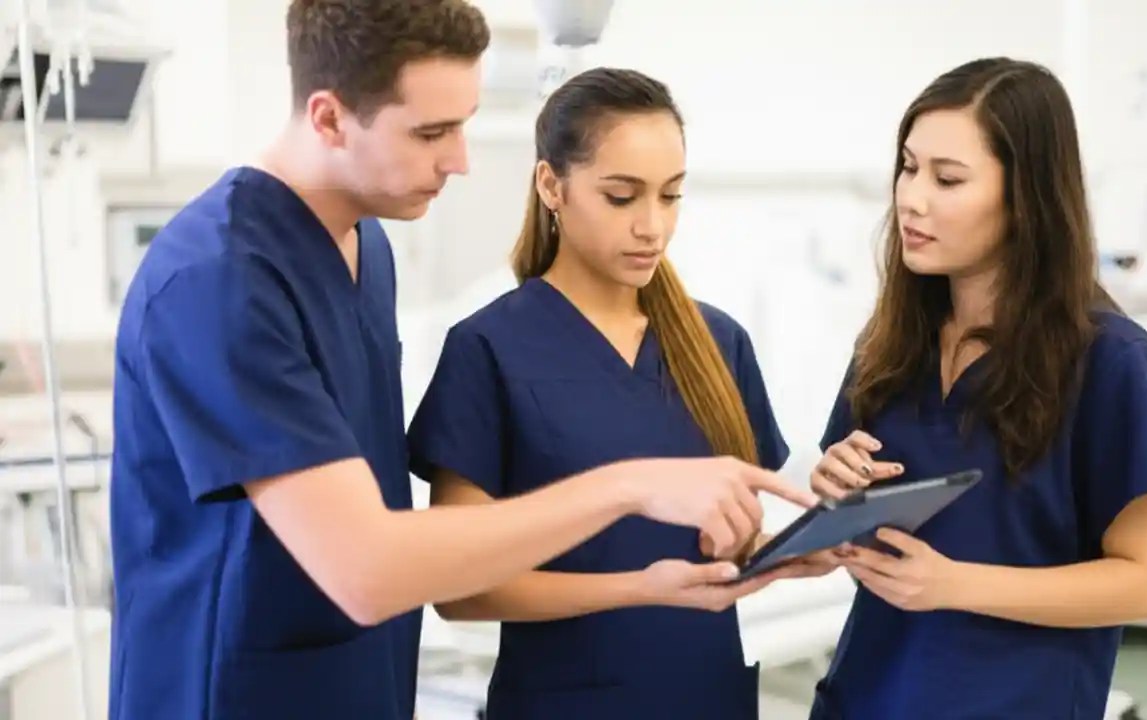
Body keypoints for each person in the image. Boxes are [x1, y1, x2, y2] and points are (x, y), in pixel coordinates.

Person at [106, 4, 815, 720]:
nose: (461, 160)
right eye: (431, 133)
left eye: (464, 123)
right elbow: (367, 568)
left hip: (359, 686)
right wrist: (630, 487)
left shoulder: (364, 250)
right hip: (233, 695)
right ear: (327, 119)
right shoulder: (219, 277)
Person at [406, 67, 837, 720]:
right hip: (566, 702)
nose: (652, 227)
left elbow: (723, 547)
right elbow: (461, 591)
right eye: (622, 196)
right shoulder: (489, 349)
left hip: (707, 694)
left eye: (670, 197)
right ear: (552, 185)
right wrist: (639, 589)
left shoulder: (718, 343)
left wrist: (786, 555)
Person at [806, 57, 1147, 720]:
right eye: (908, 166)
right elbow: (868, 542)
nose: (912, 198)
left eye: (948, 178)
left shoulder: (1112, 362)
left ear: (1027, 198)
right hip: (869, 693)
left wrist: (953, 585)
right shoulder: (892, 343)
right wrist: (839, 496)